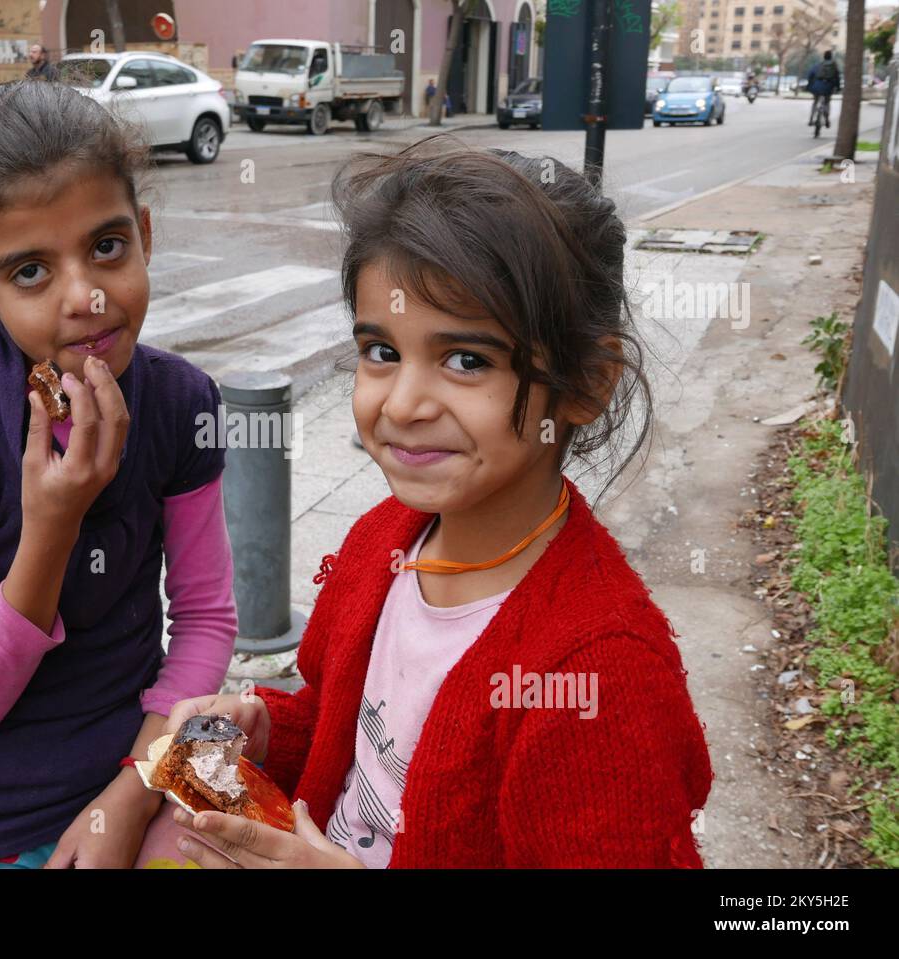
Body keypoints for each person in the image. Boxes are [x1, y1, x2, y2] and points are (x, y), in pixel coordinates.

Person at [162, 138, 714, 868]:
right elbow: (348, 730)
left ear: (586, 383)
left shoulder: (600, 681)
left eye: (466, 360)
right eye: (382, 351)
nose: (404, 403)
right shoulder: (381, 543)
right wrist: (264, 732)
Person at [0, 80, 238, 868]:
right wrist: (54, 524)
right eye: (30, 271)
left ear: (147, 236)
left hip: (135, 764)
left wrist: (132, 794)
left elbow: (205, 619)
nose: (85, 295)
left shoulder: (180, 402)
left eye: (107, 246)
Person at [806, 50, 841, 128]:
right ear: (831, 57)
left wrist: (809, 85)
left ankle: (811, 118)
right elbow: (837, 78)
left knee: (815, 101)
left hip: (817, 85)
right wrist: (837, 88)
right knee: (827, 102)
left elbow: (810, 75)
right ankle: (827, 119)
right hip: (828, 87)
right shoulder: (834, 66)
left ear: (823, 57)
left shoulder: (818, 65)